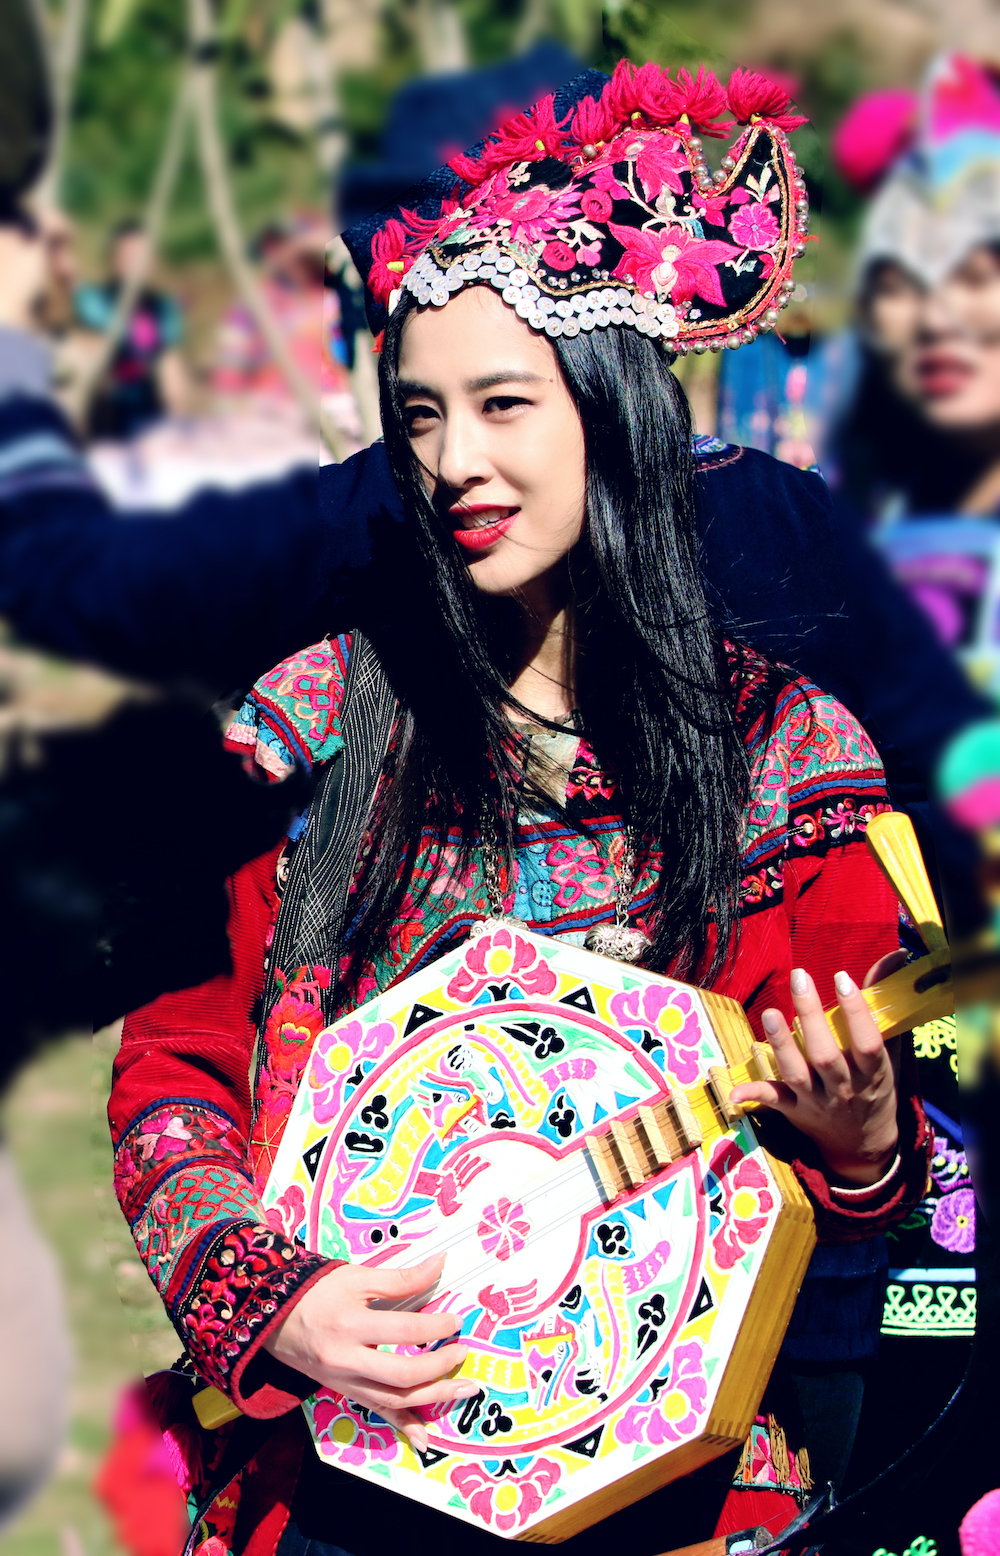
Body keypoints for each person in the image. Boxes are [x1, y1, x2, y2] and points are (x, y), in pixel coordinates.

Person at [108, 64, 930, 1556]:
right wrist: (268, 1295)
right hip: (351, 1475)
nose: (452, 463)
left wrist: (862, 1143)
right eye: (418, 414)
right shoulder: (308, 730)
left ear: (616, 412)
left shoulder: (786, 760)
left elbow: (848, 1197)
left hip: (665, 1493)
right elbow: (176, 1057)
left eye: (501, 403)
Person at [75, 218, 191, 440]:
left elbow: (171, 372)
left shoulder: (164, 309)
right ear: (113, 260)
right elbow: (89, 367)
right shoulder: (94, 302)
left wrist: (178, 422)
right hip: (106, 411)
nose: (135, 264)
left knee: (171, 375)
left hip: (150, 409)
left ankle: (175, 439)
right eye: (127, 257)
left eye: (142, 257)